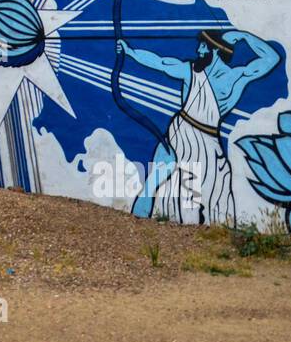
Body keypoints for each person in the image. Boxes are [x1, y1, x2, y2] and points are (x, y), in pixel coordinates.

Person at [117, 28, 279, 225]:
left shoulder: (236, 77)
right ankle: (137, 225)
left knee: (214, 194)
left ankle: (200, 233)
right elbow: (161, 63)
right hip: (180, 134)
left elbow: (272, 58)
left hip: (208, 144)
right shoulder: (191, 70)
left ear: (217, 50)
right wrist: (130, 52)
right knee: (154, 183)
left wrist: (245, 36)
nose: (199, 50)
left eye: (204, 46)